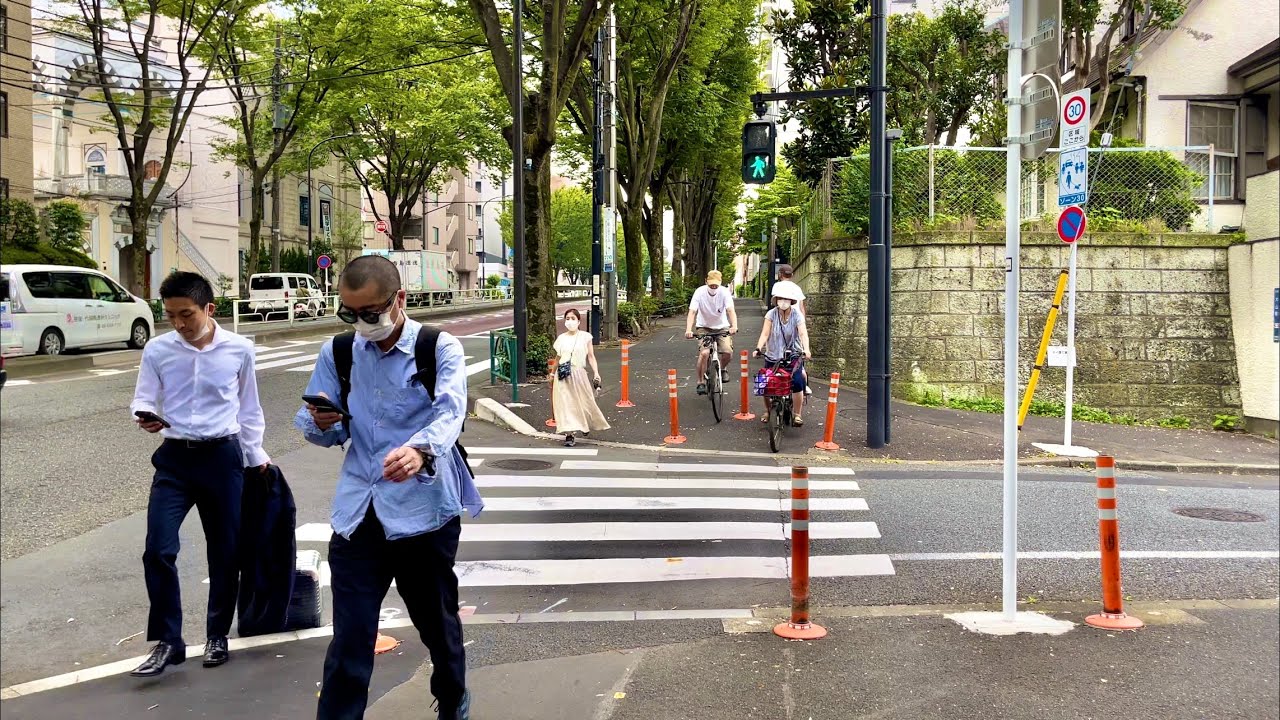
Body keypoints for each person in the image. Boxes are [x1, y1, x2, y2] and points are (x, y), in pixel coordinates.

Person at [297, 255, 483, 720]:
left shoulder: (439, 348)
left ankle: (452, 693)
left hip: (423, 512)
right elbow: (319, 427)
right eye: (350, 314)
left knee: (437, 624)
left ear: (399, 300)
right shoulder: (338, 352)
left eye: (370, 313)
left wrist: (420, 450)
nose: (361, 324)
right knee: (350, 638)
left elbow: (450, 412)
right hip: (360, 514)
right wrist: (322, 421)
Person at [129, 271, 270, 677]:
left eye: (186, 314)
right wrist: (144, 415)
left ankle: (217, 634)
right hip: (174, 458)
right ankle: (168, 641)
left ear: (209, 309)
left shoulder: (239, 349)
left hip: (223, 458)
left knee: (224, 551)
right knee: (158, 548)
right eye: (170, 314)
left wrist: (255, 455)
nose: (178, 323)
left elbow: (249, 407)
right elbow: (142, 395)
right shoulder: (158, 350)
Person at [754, 283, 812, 426]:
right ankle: (768, 411)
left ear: (792, 301)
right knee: (765, 382)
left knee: (797, 382)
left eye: (786, 299)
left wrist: (807, 349)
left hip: (793, 354)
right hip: (773, 354)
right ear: (777, 300)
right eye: (781, 298)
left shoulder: (797, 315)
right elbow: (765, 333)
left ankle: (797, 414)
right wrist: (758, 348)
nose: (783, 301)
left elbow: (803, 333)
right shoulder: (771, 314)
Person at [552, 308, 610, 447]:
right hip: (563, 375)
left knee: (585, 402)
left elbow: (591, 356)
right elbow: (558, 357)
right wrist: (552, 373)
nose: (570, 321)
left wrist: (596, 373)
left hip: (579, 374)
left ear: (579, 321)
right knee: (566, 404)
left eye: (573, 318)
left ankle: (585, 424)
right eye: (567, 318)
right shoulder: (561, 338)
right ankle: (569, 434)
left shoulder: (586, 337)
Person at [684, 270, 738, 395]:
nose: (713, 287)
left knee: (728, 352)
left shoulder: (724, 292)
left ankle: (723, 369)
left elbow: (730, 311)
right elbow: (692, 312)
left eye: (716, 285)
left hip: (722, 327)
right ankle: (700, 381)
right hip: (704, 327)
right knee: (704, 353)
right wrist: (688, 329)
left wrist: (734, 326)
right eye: (711, 285)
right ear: (706, 282)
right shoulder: (699, 292)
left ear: (720, 283)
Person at [771, 265, 812, 395]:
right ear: (792, 275)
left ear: (780, 274)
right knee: (798, 351)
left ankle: (775, 379)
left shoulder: (777, 286)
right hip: (797, 322)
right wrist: (802, 323)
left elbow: (775, 304)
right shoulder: (797, 288)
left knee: (778, 351)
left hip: (783, 320)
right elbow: (801, 307)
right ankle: (803, 379)